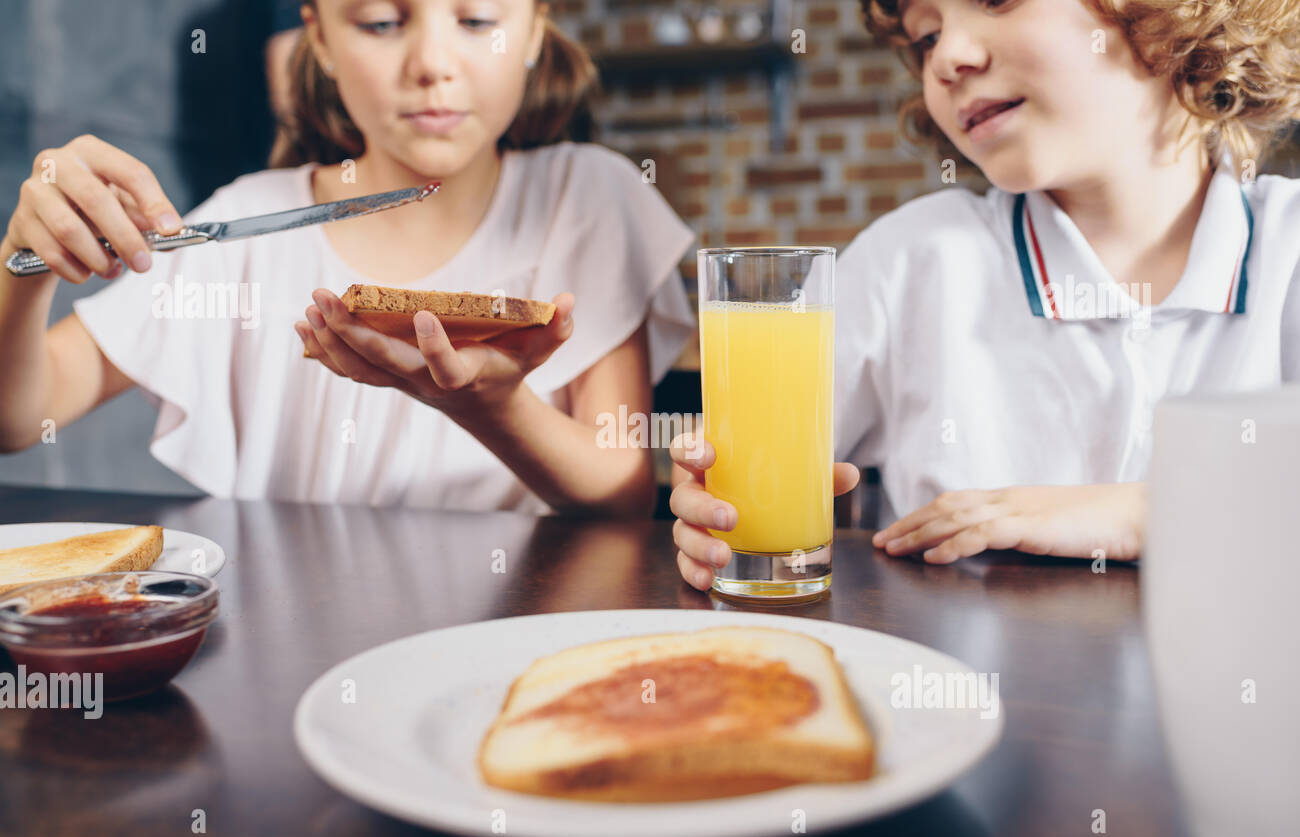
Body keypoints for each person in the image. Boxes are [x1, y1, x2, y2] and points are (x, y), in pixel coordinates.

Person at [670, 0, 1300, 589]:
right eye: (926, 37)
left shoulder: (1289, 249)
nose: (947, 59)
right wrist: (714, 500)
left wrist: (1147, 513)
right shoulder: (909, 259)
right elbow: (741, 472)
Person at [0, 0, 695, 516]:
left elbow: (621, 498)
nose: (431, 65)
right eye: (381, 23)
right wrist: (20, 267)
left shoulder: (588, 198)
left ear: (536, 29)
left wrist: (493, 407)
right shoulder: (245, 225)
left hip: (507, 643)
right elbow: (21, 417)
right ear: (321, 38)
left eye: (478, 20)